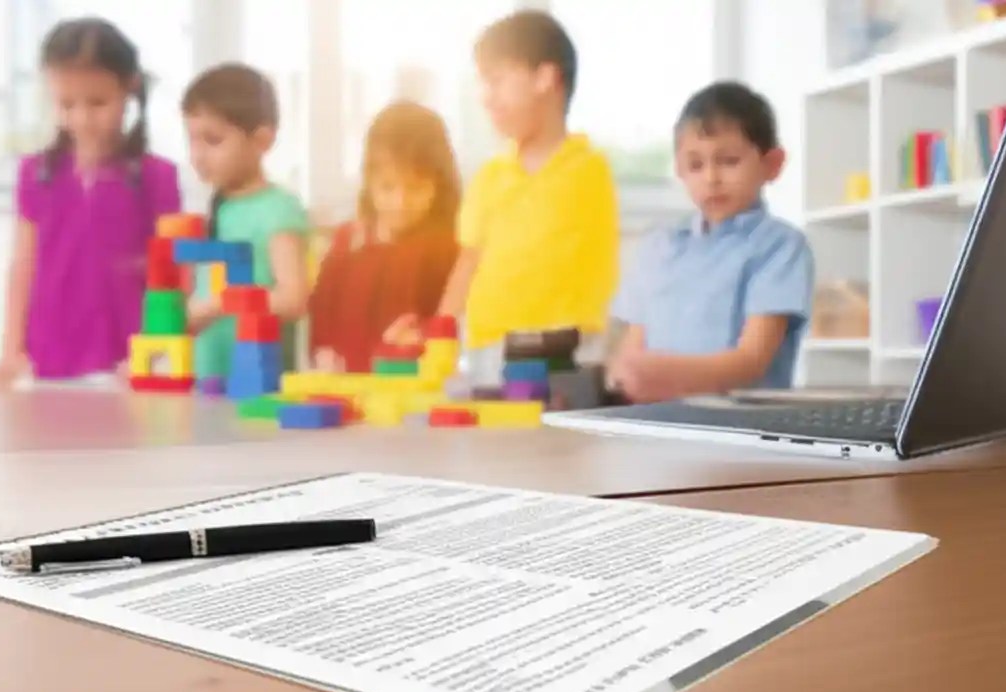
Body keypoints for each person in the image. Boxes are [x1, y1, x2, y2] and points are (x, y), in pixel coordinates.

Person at [0, 17, 181, 391]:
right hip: (50, 358)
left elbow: (173, 277)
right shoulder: (35, 174)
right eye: (67, 104)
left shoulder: (157, 177)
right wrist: (11, 352)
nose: (83, 118)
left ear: (129, 89)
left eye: (98, 102)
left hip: (127, 360)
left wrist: (156, 351)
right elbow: (23, 266)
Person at [436, 10, 620, 384]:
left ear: (544, 78)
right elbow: (467, 264)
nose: (486, 97)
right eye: (483, 84)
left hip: (567, 351)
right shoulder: (490, 177)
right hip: (491, 350)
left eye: (497, 81)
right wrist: (441, 337)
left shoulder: (588, 169)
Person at [608, 81, 815, 403]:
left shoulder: (780, 247)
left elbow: (751, 361)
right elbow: (631, 355)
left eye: (729, 161)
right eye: (695, 165)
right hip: (656, 426)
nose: (711, 178)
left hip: (744, 432)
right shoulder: (658, 248)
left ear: (771, 165)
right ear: (679, 169)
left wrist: (662, 374)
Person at [307, 102, 461, 374]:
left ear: (439, 183)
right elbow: (322, 314)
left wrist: (418, 339)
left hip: (409, 394)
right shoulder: (348, 242)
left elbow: (452, 324)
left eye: (415, 188)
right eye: (387, 187)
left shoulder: (446, 248)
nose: (400, 202)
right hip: (345, 391)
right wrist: (322, 352)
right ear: (369, 181)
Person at [180, 63, 310, 381]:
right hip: (207, 381)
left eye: (212, 140)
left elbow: (293, 299)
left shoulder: (279, 209)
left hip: (261, 385)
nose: (198, 155)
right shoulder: (215, 210)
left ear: (262, 141)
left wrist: (217, 305)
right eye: (192, 140)